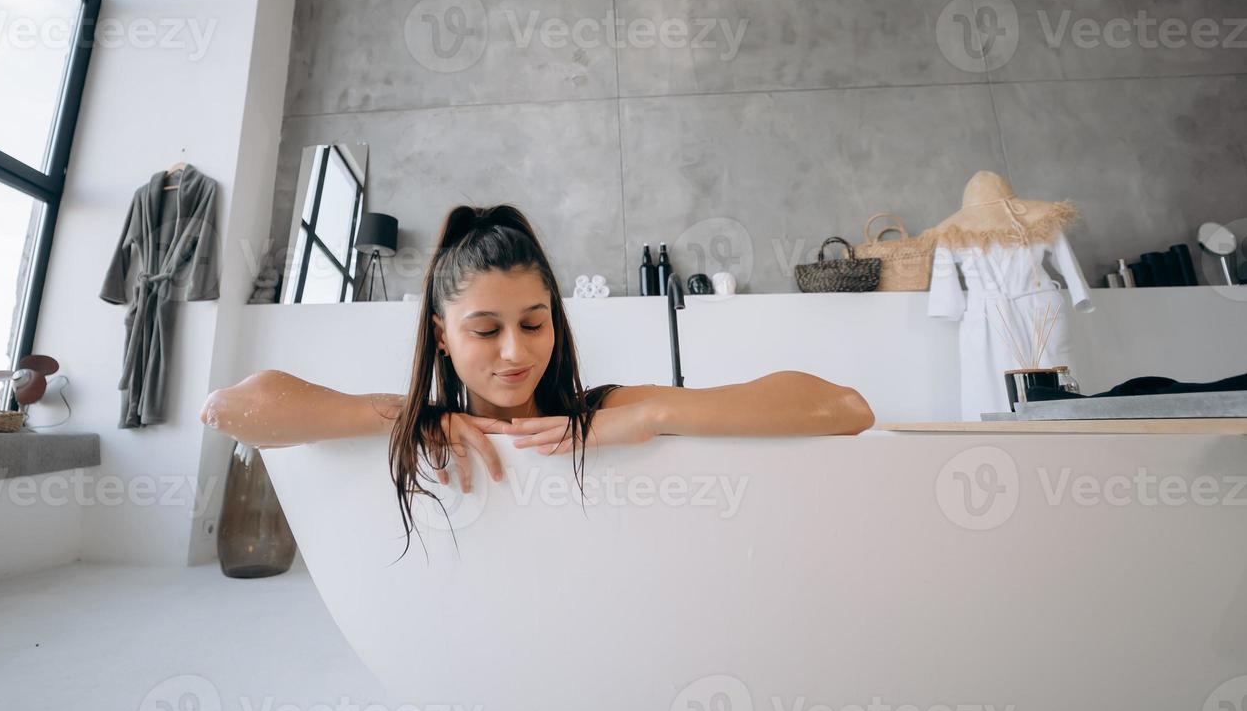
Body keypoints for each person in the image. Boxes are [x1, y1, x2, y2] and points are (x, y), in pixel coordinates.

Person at [201, 204, 874, 540]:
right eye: (485, 330)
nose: (516, 353)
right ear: (441, 335)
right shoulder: (421, 424)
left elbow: (844, 407)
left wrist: (652, 416)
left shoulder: (601, 411)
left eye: (533, 322)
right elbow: (228, 408)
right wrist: (409, 418)